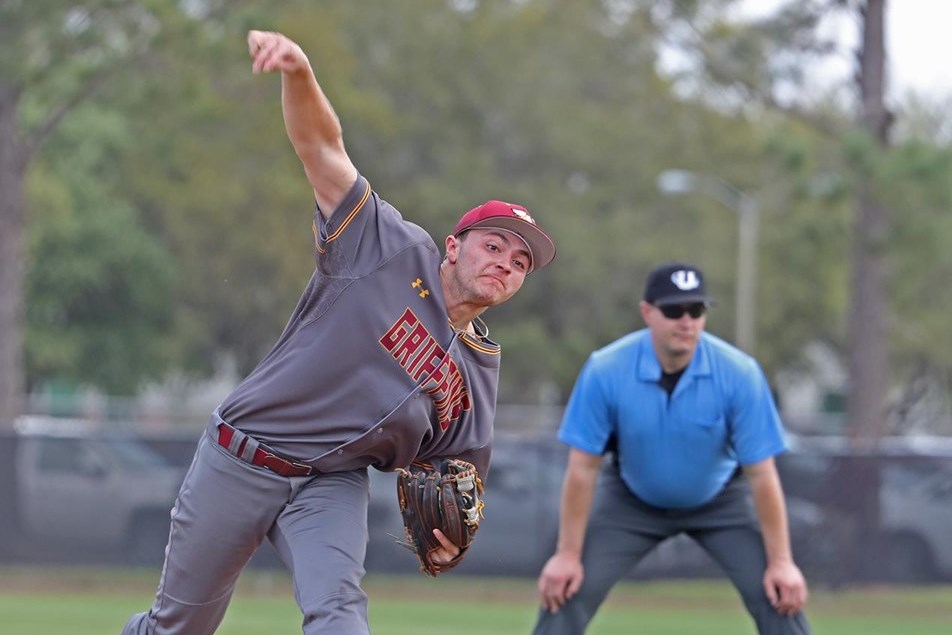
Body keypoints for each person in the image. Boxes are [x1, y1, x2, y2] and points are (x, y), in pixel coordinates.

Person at [120, 29, 556, 635]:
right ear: (454, 246)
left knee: (340, 618)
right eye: (494, 246)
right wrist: (298, 71)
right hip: (243, 455)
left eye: (519, 263)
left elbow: (459, 475)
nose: (504, 264)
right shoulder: (388, 250)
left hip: (330, 484)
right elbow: (322, 149)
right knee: (178, 628)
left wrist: (450, 539)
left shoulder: (478, 366)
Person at [532, 262, 811, 635]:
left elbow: (762, 474)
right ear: (647, 312)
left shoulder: (739, 373)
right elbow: (583, 468)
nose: (687, 321)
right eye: (673, 310)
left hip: (720, 502)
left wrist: (782, 562)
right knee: (566, 589)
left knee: (779, 593)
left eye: (696, 311)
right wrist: (566, 555)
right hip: (631, 500)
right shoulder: (606, 369)